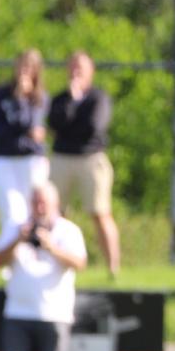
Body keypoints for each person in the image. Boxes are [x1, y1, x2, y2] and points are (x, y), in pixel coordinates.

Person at [0, 182, 87, 351]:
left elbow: (79, 263)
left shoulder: (67, 230)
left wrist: (51, 247)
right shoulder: (16, 227)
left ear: (55, 204)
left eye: (44, 202)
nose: (40, 207)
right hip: (18, 312)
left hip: (54, 312)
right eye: (35, 202)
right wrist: (18, 239)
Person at [47, 52, 120, 276]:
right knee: (55, 214)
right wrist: (72, 101)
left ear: (91, 71)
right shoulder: (60, 99)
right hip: (61, 159)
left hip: (91, 159)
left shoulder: (99, 98)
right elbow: (55, 124)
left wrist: (69, 127)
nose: (75, 71)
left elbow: (93, 127)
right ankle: (57, 262)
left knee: (100, 213)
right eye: (72, 66)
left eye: (80, 67)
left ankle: (113, 268)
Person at [0, 49, 50, 230]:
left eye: (29, 67)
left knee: (32, 212)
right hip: (4, 158)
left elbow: (31, 125)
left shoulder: (40, 97)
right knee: (12, 213)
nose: (24, 71)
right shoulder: (0, 94)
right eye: (21, 66)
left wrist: (21, 99)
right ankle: (13, 247)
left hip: (31, 160)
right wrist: (23, 132)